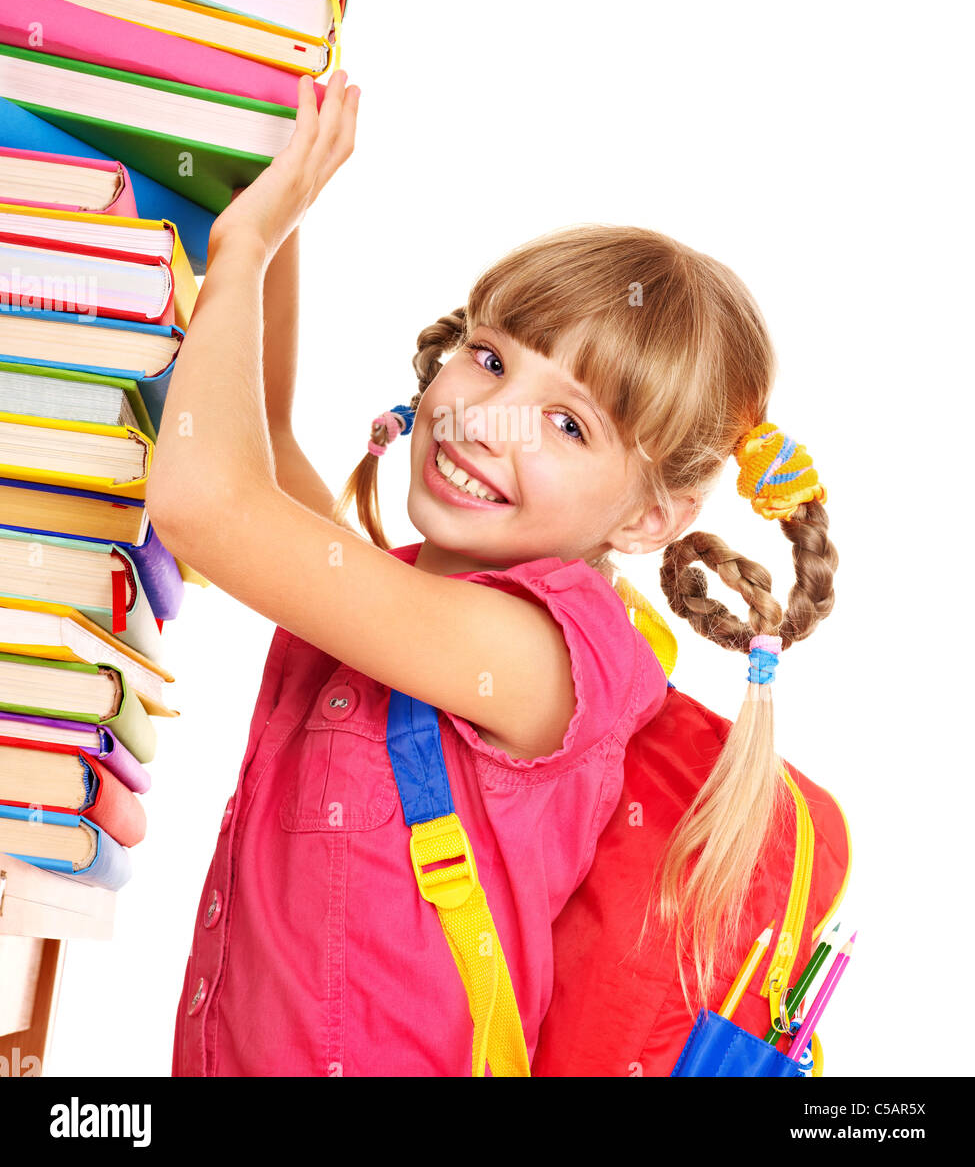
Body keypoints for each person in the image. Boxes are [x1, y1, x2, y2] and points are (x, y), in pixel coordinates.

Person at [147, 70, 837, 1076]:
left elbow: (208, 502)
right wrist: (276, 190)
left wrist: (244, 247)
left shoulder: (541, 654)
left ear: (650, 515)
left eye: (568, 422)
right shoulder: (407, 601)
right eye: (490, 357)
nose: (485, 416)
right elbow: (265, 438)